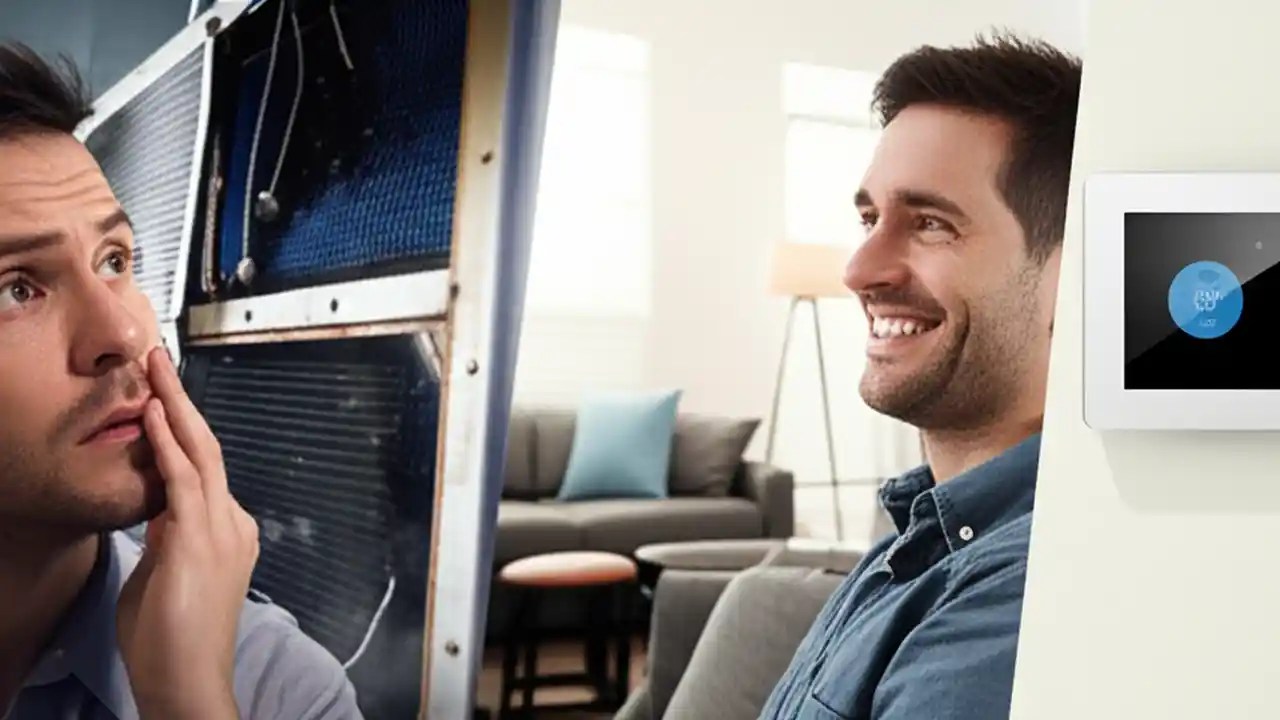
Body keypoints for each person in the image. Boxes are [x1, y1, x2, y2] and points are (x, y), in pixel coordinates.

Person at [0, 44, 362, 719]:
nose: (127, 335)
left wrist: (185, 702)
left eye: (114, 260)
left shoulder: (279, 693)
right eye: (17, 288)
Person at [759, 32, 1080, 719]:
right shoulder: (923, 535)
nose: (858, 270)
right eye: (870, 217)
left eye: (931, 223)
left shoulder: (1025, 599)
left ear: (1070, 277)